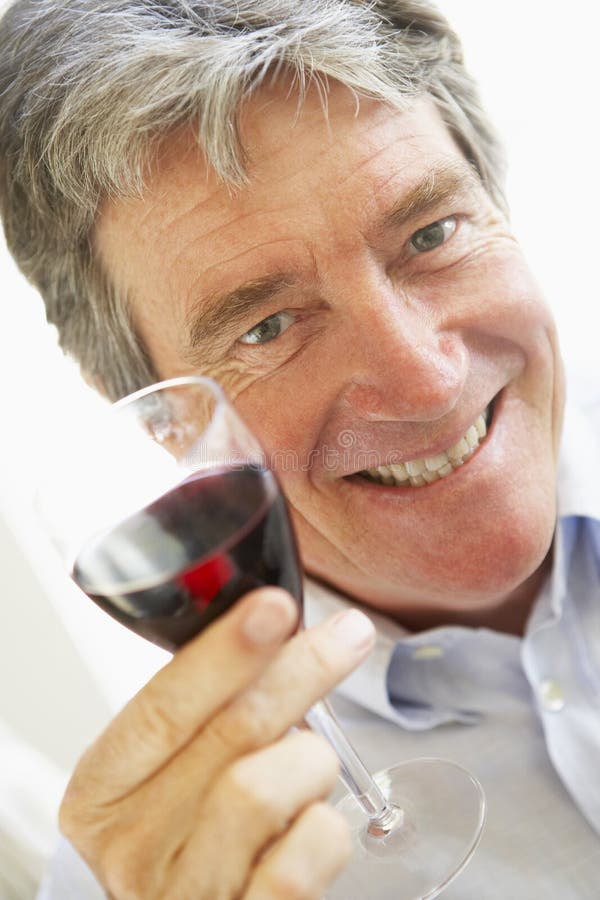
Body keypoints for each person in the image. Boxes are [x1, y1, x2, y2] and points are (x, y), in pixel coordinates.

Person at [1, 1, 599, 897]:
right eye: (268, 325)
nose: (426, 381)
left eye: (430, 235)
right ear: (159, 419)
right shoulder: (160, 876)